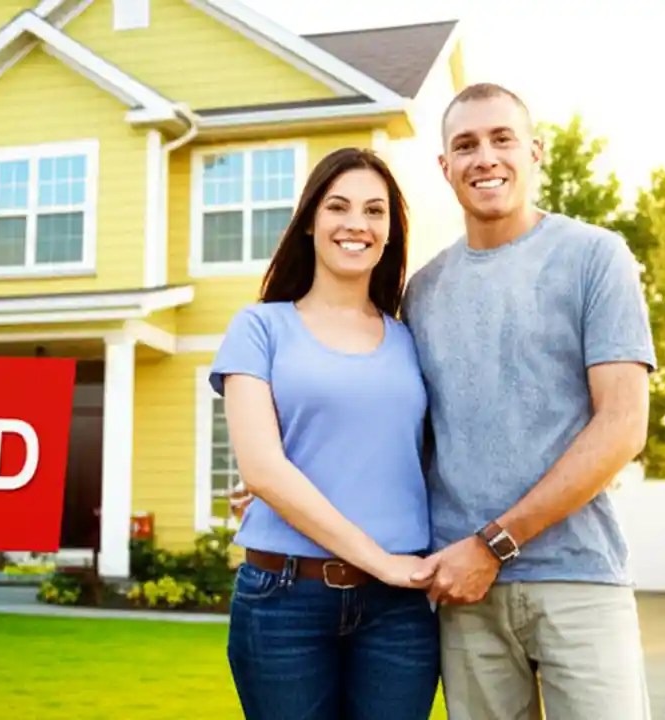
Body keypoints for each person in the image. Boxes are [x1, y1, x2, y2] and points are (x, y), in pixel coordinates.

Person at [401, 82, 658, 719]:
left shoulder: (595, 257)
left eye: (501, 138)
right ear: (445, 168)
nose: (484, 157)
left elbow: (624, 425)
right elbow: (410, 441)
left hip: (579, 577)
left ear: (535, 152)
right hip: (465, 601)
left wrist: (494, 545)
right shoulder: (422, 292)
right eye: (465, 145)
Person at [209, 147, 440, 720]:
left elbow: (433, 459)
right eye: (338, 206)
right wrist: (381, 561)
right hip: (283, 601)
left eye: (375, 211)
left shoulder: (415, 341)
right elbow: (263, 469)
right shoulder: (260, 327)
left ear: (390, 231)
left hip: (398, 613)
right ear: (311, 220)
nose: (356, 224)